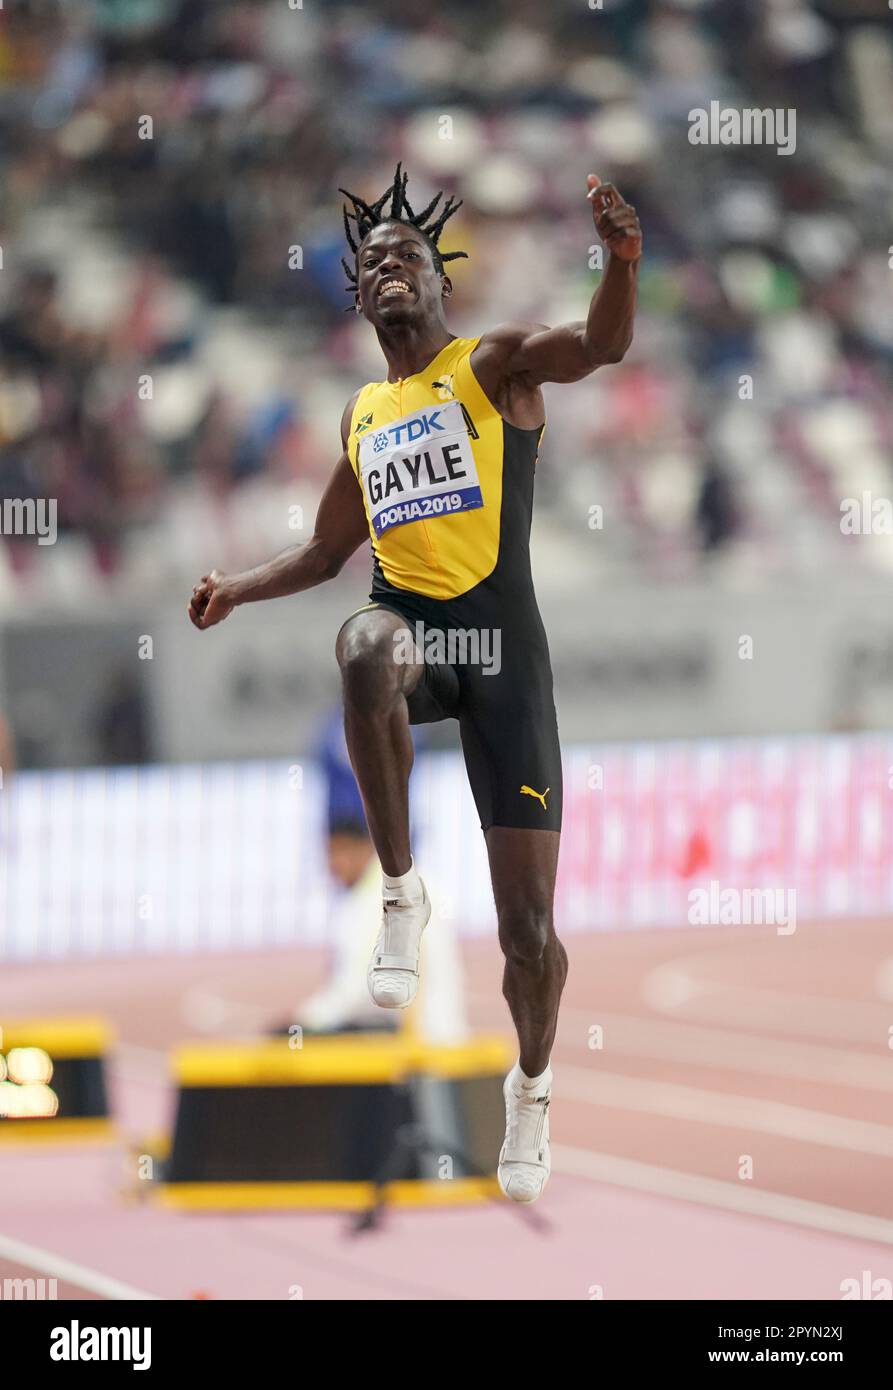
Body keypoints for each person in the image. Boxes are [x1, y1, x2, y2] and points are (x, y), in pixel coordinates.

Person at [189, 165, 641, 1202]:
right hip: (417, 645)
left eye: (409, 256)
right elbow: (319, 553)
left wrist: (620, 260)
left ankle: (531, 1087)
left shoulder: (492, 367)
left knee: (529, 935)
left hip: (505, 665)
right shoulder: (364, 414)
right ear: (357, 295)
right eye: (373, 261)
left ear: (441, 282)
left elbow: (604, 344)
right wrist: (232, 590)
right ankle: (401, 889)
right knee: (358, 644)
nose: (391, 268)